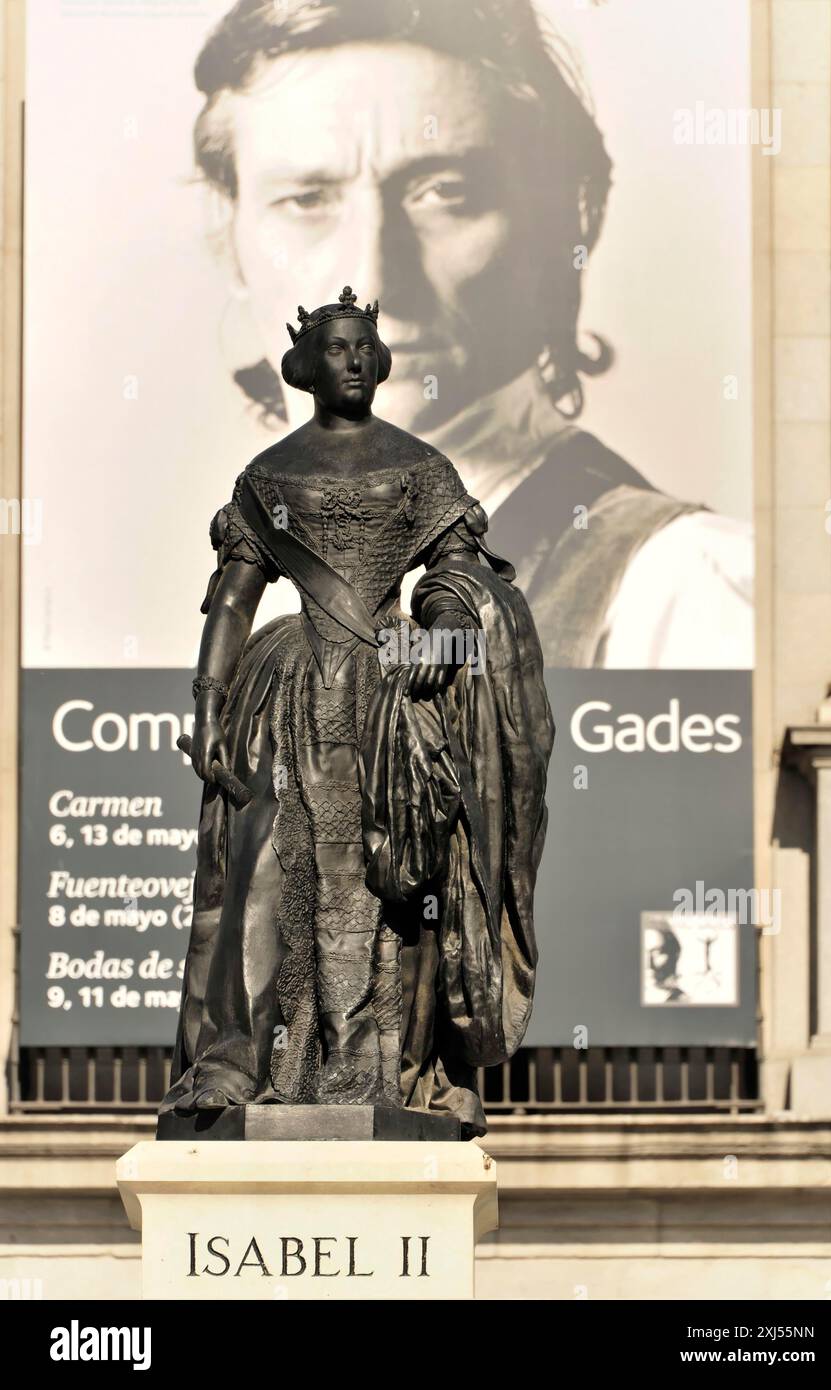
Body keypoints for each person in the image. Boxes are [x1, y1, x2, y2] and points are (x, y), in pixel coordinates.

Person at [190, 0, 753, 668]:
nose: (371, 277)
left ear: (558, 226)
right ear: (227, 237)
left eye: (444, 191)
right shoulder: (236, 578)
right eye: (306, 200)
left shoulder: (681, 591)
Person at [161, 288, 554, 1137]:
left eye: (362, 347)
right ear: (306, 366)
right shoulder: (268, 475)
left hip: (388, 691)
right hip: (287, 693)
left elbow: (461, 582)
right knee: (268, 874)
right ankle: (246, 1062)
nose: (350, 359)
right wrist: (206, 700)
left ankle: (389, 1074)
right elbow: (232, 599)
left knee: (393, 888)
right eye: (334, 347)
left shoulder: (421, 466)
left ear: (379, 363)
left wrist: (438, 644)